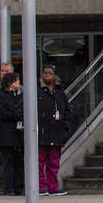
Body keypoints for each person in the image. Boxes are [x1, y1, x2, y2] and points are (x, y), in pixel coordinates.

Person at [36, 65, 76, 196]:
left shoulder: (60, 94)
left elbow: (67, 111)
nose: (47, 74)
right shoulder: (38, 93)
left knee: (54, 162)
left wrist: (65, 126)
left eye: (50, 73)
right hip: (41, 132)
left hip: (57, 132)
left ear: (54, 76)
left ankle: (53, 187)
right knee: (39, 162)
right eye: (45, 72)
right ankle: (41, 187)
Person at [0, 71, 25, 196]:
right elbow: (2, 113)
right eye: (17, 81)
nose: (19, 83)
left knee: (19, 161)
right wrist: (16, 115)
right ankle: (9, 187)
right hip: (6, 134)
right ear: (11, 83)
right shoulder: (1, 96)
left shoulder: (19, 95)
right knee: (8, 162)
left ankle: (19, 186)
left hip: (18, 133)